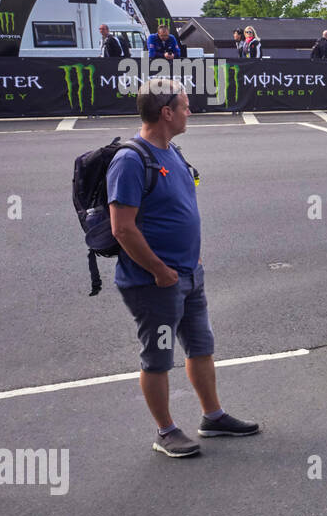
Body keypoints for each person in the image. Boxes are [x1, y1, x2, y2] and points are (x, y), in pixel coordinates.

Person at [107, 78, 258, 457]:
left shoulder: (172, 150)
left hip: (188, 273)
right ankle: (166, 431)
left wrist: (193, 258)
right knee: (157, 357)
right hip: (154, 281)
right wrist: (159, 270)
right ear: (166, 112)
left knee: (200, 346)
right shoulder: (130, 160)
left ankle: (213, 417)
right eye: (186, 106)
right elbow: (122, 228)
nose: (191, 111)